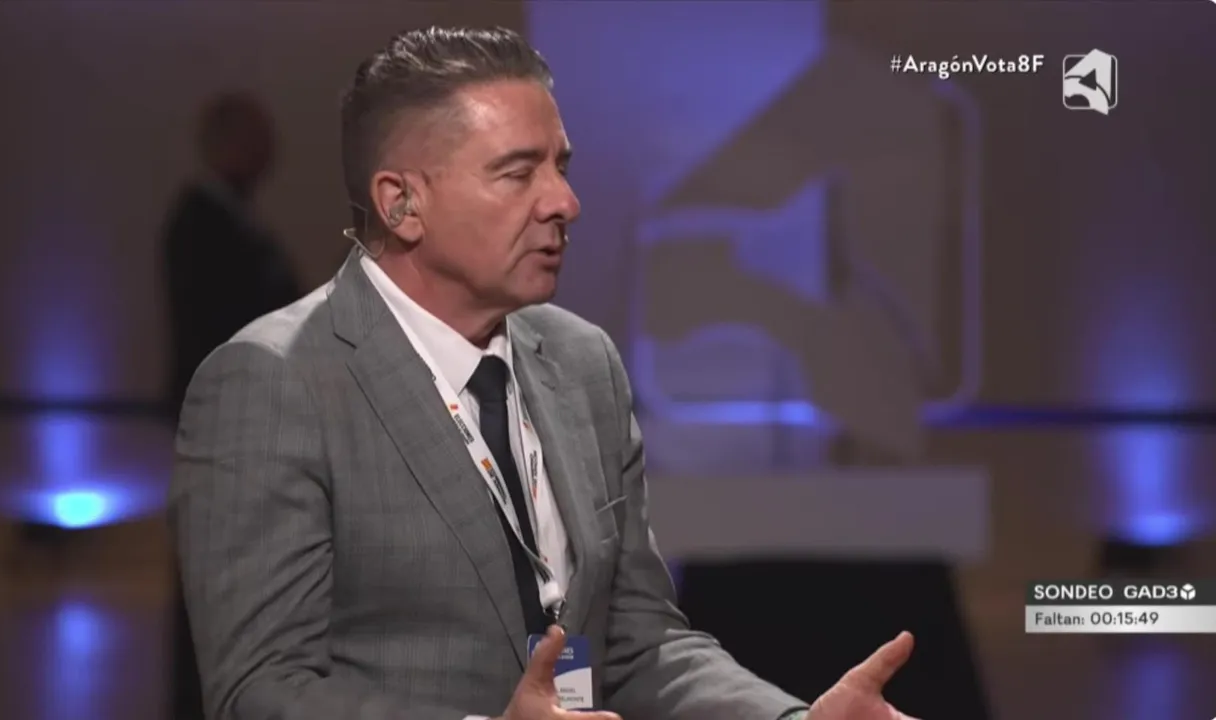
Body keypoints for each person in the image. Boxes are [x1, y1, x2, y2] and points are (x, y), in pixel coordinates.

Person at [170, 26, 919, 720]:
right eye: (517, 173)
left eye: (560, 167)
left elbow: (639, 642)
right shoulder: (274, 382)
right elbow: (260, 689)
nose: (565, 203)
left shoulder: (583, 362)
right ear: (401, 204)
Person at [160, 91, 303, 719]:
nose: (271, 153)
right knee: (212, 586)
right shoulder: (200, 227)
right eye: (258, 138)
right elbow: (219, 329)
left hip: (246, 427)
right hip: (226, 431)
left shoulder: (233, 223)